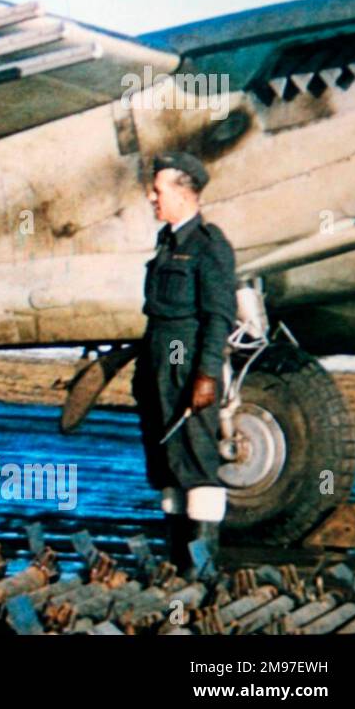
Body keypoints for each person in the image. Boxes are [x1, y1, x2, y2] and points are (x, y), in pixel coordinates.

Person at [132, 151, 236, 576]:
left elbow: (219, 317)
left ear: (182, 192)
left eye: (158, 191)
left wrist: (206, 375)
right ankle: (177, 564)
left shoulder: (209, 246)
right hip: (158, 367)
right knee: (167, 466)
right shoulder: (167, 243)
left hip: (186, 367)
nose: (151, 198)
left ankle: (203, 569)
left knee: (196, 463)